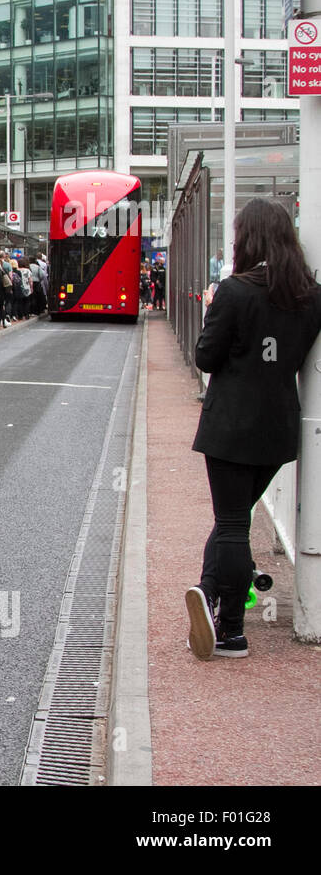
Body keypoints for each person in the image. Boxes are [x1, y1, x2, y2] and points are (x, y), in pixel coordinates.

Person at [186, 198, 321, 660]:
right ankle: (208, 593)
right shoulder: (310, 296)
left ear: (250, 238)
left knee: (230, 524)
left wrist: (212, 310)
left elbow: (206, 357)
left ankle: (231, 632)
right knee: (234, 520)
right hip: (277, 428)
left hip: (230, 426)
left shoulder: (235, 291)